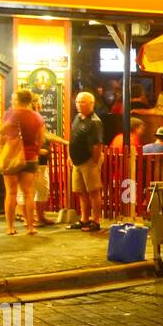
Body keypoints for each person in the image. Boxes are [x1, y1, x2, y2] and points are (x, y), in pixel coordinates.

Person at [0, 88, 46, 236]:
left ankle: (10, 227)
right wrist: (36, 149)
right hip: (31, 157)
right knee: (29, 193)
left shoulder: (11, 114)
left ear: (17, 100)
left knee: (11, 193)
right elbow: (41, 139)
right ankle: (30, 227)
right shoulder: (37, 117)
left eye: (14, 99)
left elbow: (3, 131)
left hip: (13, 157)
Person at [68, 90, 104, 232]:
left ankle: (95, 221)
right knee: (80, 192)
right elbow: (73, 137)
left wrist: (94, 161)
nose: (78, 104)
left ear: (91, 104)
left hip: (88, 161)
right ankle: (84, 219)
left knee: (93, 192)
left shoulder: (95, 122)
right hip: (77, 161)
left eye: (82, 102)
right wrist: (70, 156)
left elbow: (97, 145)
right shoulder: (77, 118)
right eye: (77, 101)